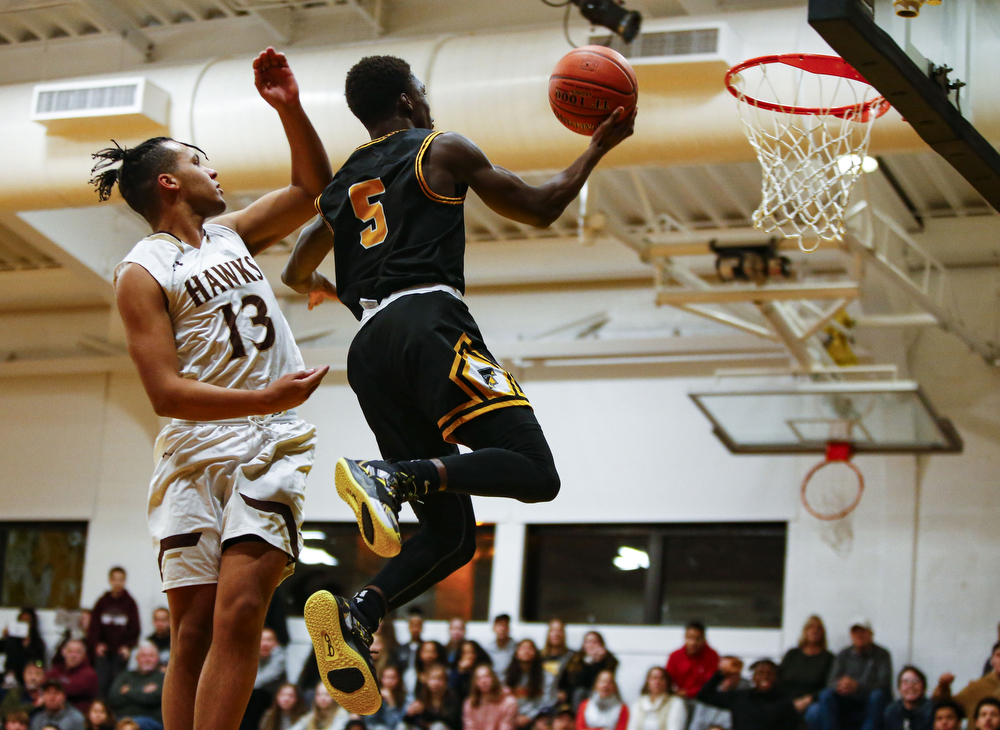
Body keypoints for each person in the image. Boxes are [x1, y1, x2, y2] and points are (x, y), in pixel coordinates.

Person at [283, 54, 634, 715]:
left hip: (370, 350)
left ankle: (361, 611)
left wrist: (322, 289)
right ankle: (392, 478)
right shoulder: (440, 149)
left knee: (452, 538)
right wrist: (596, 149)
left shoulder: (339, 189)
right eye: (423, 91)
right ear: (410, 101)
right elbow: (539, 207)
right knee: (535, 471)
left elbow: (295, 267)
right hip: (429, 324)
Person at [91, 47, 331, 730]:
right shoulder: (140, 271)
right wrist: (265, 394)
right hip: (195, 447)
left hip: (268, 441)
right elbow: (165, 392)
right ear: (168, 182)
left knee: (240, 611)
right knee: (190, 631)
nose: (213, 169)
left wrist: (289, 107)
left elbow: (311, 188)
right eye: (199, 160)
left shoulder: (231, 236)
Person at [806, 619, 892, 730]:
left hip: (869, 702)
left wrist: (858, 687)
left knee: (878, 695)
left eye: (863, 631)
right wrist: (841, 685)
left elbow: (884, 683)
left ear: (871, 634)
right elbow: (831, 681)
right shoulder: (843, 654)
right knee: (825, 694)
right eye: (855, 632)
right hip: (846, 702)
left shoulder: (882, 654)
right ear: (851, 635)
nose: (859, 635)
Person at [696, 658, 797, 730]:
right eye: (760, 673)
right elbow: (704, 695)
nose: (765, 676)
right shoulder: (740, 697)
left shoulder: (783, 701)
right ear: (753, 677)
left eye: (770, 673)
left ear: (776, 677)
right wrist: (722, 673)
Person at [88, 568, 141, 699]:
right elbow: (94, 626)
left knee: (117, 682)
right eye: (115, 579)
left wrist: (128, 646)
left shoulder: (130, 603)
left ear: (125, 581)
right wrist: (97, 644)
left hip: (120, 652)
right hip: (103, 651)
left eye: (121, 580)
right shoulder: (102, 602)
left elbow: (135, 628)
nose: (117, 583)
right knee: (101, 682)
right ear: (110, 580)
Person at [778, 616, 833, 717]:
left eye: (818, 628)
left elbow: (828, 686)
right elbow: (779, 678)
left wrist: (808, 700)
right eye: (811, 627)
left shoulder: (828, 658)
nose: (814, 631)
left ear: (822, 633)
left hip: (812, 701)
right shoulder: (792, 654)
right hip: (787, 699)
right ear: (805, 631)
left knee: (814, 713)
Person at [934, 642, 1000, 722]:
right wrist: (943, 687)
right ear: (992, 661)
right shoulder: (977, 687)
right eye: (998, 655)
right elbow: (946, 706)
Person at [107, 643, 165, 730]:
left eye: (151, 656)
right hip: (121, 718)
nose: (147, 659)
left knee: (129, 727)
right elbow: (114, 698)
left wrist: (128, 691)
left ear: (157, 659)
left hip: (151, 721)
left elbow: (152, 699)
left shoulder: (162, 678)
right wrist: (142, 690)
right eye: (143, 656)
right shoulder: (125, 676)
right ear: (137, 658)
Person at [244, 628, 289, 730]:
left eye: (269, 640)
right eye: (261, 639)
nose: (265, 643)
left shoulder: (280, 657)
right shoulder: (251, 655)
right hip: (254, 702)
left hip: (273, 700)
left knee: (257, 695)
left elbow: (262, 680)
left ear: (276, 643)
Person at [687, 657, 748, 730]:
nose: (726, 677)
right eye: (723, 672)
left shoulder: (747, 693)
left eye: (730, 673)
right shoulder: (708, 693)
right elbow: (697, 724)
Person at [560, 634, 618, 710]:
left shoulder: (608, 660)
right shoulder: (575, 659)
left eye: (594, 642)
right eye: (588, 642)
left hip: (599, 694)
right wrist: (589, 662)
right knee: (580, 692)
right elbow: (579, 681)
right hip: (576, 695)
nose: (591, 645)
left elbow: (603, 680)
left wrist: (599, 662)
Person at [664, 622, 719, 703]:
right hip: (680, 698)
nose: (693, 642)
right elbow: (667, 680)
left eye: (698, 638)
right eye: (690, 638)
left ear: (704, 639)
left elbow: (712, 683)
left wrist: (689, 693)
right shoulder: (675, 656)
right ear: (685, 637)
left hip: (704, 699)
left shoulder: (712, 656)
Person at [44, 640, 99, 714]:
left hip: (78, 713)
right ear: (63, 652)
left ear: (84, 655)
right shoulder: (57, 669)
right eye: (70, 651)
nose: (73, 655)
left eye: (78, 652)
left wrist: (51, 689)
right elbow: (44, 682)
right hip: (54, 711)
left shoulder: (89, 674)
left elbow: (72, 690)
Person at [404, 664, 460, 730]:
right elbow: (411, 721)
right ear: (427, 681)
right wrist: (410, 713)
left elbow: (451, 721)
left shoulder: (452, 696)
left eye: (439, 679)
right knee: (403, 726)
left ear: (445, 681)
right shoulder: (422, 695)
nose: (435, 683)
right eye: (432, 678)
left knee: (437, 727)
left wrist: (425, 712)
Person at [463, 666, 517, 730]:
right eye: (478, 678)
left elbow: (506, 727)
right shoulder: (470, 703)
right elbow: (470, 727)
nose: (483, 681)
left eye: (487, 677)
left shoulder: (509, 702)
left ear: (494, 679)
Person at [1, 609, 47, 687]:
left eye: (28, 621)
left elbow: (40, 663)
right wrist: (4, 637)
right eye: (22, 620)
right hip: (10, 675)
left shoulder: (37, 642)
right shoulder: (12, 640)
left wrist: (28, 647)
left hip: (29, 677)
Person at [505, 640, 544, 730]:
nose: (526, 651)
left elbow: (542, 701)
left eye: (530, 648)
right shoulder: (508, 674)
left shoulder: (542, 675)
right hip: (511, 717)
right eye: (522, 648)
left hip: (534, 717)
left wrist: (530, 716)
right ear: (516, 653)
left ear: (535, 653)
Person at [884, 666, 932, 730]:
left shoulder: (931, 711)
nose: (910, 686)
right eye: (906, 682)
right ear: (899, 688)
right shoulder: (892, 711)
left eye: (915, 681)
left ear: (923, 687)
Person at [539, 622, 571, 711]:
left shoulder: (571, 657)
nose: (556, 634)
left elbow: (572, 681)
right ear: (548, 634)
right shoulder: (539, 656)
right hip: (539, 699)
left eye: (559, 631)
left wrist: (565, 691)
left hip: (560, 701)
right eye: (553, 631)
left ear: (563, 634)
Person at [397, 609, 425, 700]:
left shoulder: (426, 647)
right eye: (413, 625)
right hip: (403, 684)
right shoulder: (401, 649)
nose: (415, 629)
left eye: (418, 625)